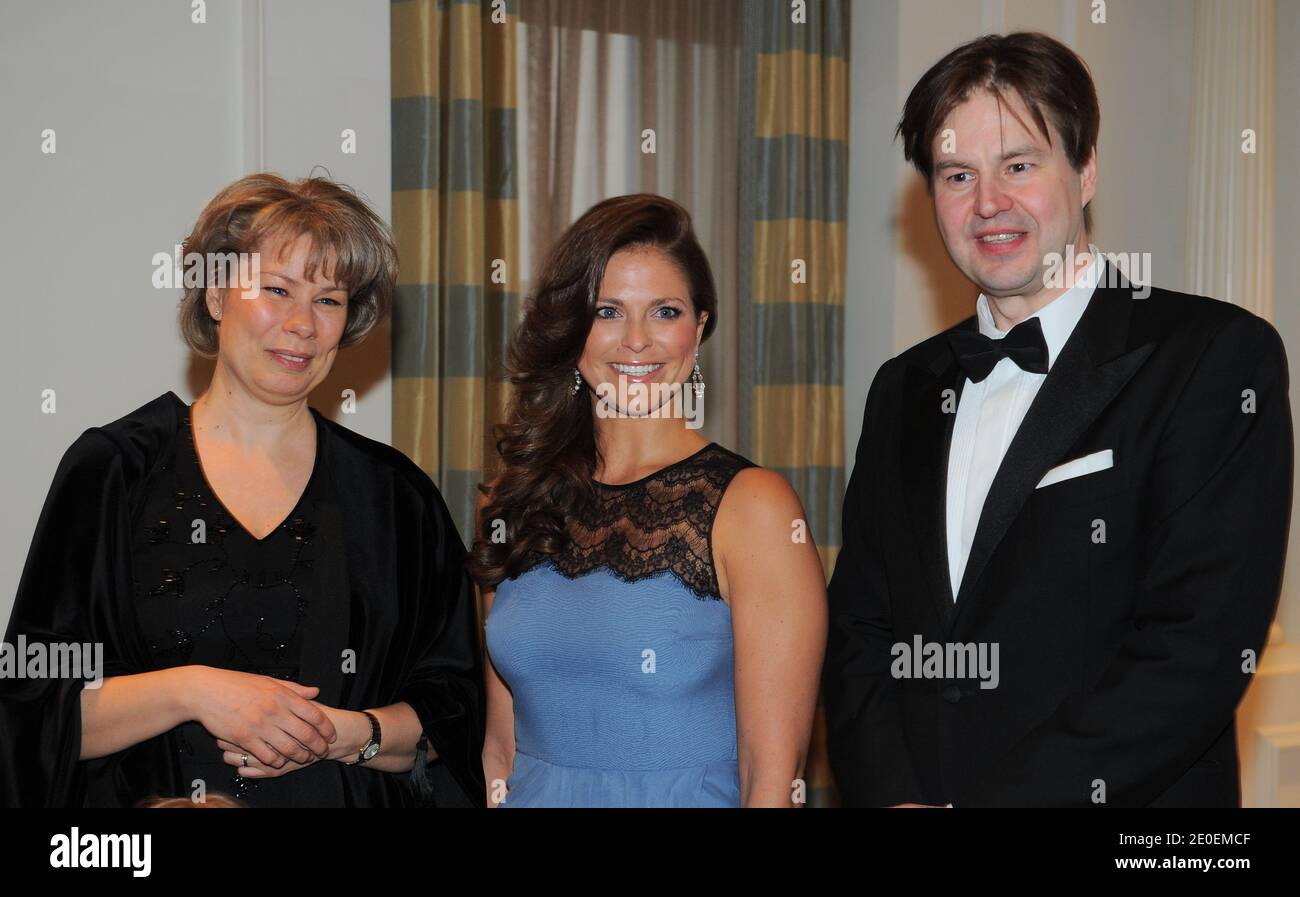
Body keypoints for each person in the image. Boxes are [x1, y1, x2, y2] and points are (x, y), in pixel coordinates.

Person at [823, 32, 1292, 807]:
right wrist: (894, 795)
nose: (988, 203)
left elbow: (1196, 649)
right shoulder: (903, 387)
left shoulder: (1214, 358)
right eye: (957, 174)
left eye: (1018, 165)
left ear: (1085, 170)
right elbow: (860, 634)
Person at [2, 174, 485, 807]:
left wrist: (348, 735)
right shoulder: (114, 472)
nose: (301, 324)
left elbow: (452, 712)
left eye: (329, 300)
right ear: (214, 296)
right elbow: (32, 703)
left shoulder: (396, 497)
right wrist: (193, 691)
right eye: (276, 289)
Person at [472, 194, 827, 807]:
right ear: (572, 328)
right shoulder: (509, 503)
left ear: (701, 326)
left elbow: (772, 779)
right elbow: (499, 752)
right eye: (608, 311)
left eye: (665, 311)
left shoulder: (753, 507)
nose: (636, 341)